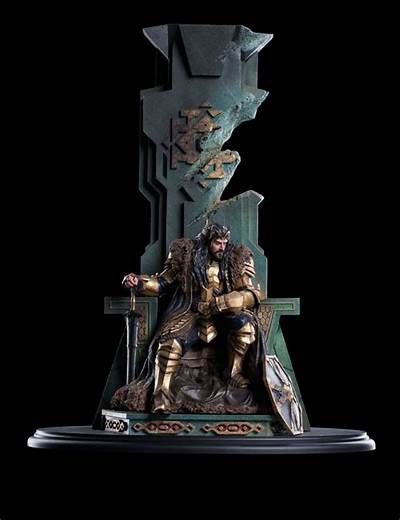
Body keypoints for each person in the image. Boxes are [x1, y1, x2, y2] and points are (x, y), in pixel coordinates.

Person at [119, 222, 264, 414]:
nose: (222, 247)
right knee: (169, 346)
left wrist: (233, 300)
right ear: (207, 241)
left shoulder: (236, 258)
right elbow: (161, 283)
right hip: (190, 311)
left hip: (222, 312)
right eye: (217, 243)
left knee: (245, 328)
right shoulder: (185, 255)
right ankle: (161, 397)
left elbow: (252, 293)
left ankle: (233, 372)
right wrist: (139, 282)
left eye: (224, 242)